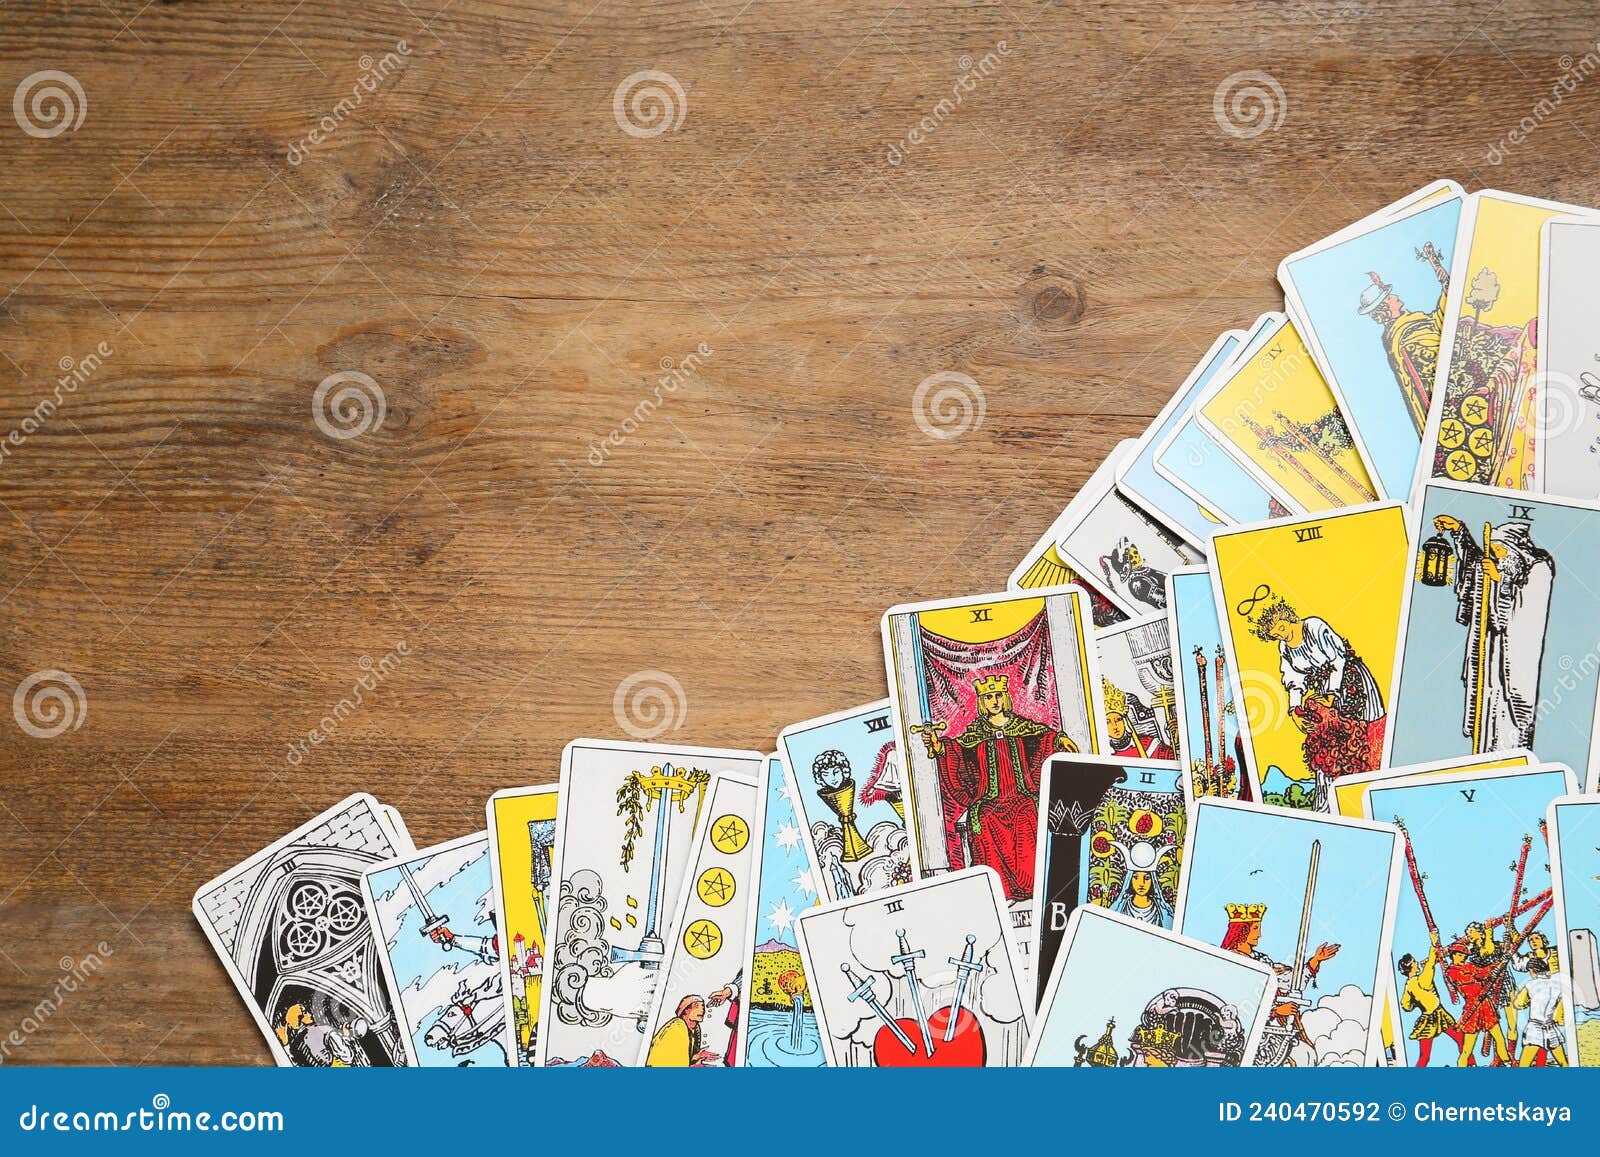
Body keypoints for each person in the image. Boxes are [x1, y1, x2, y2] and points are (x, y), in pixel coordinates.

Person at [918, 673, 1075, 901]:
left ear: (1005, 698)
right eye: (989, 697)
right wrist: (939, 747)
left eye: (998, 696)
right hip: (990, 800)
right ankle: (1002, 889)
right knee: (986, 820)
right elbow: (957, 755)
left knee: (1027, 816)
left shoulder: (1021, 726)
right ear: (982, 701)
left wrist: (1059, 740)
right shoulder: (976, 732)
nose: (994, 701)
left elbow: (1044, 739)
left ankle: (1032, 885)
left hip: (1022, 795)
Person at [1431, 515, 1554, 753]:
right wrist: (1459, 531)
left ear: (1515, 552)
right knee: (1486, 712)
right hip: (1489, 653)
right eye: (1494, 552)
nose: (1495, 557)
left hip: (1511, 661)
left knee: (1506, 718)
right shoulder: (1506, 567)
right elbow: (1476, 563)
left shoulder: (1539, 570)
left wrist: (1499, 580)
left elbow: (1525, 612)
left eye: (1499, 552)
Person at [1252, 597, 1386, 805]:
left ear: (1287, 617)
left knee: (1364, 738)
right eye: (1275, 634)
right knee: (1330, 744)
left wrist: (1331, 695)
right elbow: (1294, 680)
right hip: (1325, 692)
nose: (1281, 634)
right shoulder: (1285, 648)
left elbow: (1338, 660)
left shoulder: (1313, 626)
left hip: (1352, 682)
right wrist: (1294, 710)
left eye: (1281, 627)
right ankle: (1330, 803)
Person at [1220, 902, 1339, 1065]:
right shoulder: (1230, 962)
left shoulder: (1263, 961)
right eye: (1255, 929)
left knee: (1307, 1054)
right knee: (1301, 1057)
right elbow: (1239, 1003)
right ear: (1242, 930)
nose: (1259, 934)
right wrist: (1276, 1011)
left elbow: (1291, 983)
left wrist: (1315, 960)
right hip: (1240, 1033)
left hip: (1268, 1028)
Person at [1356, 242, 1450, 436]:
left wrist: (1446, 289)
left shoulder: (1409, 321)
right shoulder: (1403, 336)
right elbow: (1440, 343)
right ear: (1385, 308)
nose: (1394, 295)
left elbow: (1438, 321)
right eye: (1389, 297)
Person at [1444, 934, 1511, 1066]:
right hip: (1472, 1008)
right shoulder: (1451, 971)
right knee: (1467, 1049)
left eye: (1463, 955)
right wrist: (1480, 975)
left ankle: (1508, 1064)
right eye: (1458, 954)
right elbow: (1464, 980)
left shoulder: (1469, 966)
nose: (1461, 957)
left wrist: (1500, 963)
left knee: (1499, 1038)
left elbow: (1483, 972)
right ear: (1452, 955)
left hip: (1485, 1005)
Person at [1397, 939, 1464, 1066]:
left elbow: (1406, 1005)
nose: (1417, 963)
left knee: (1460, 1040)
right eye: (1415, 962)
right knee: (1461, 1040)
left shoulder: (1408, 986)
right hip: (1432, 1017)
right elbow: (1431, 964)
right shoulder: (1421, 979)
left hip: (1437, 1015)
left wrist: (1416, 1002)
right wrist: (1434, 943)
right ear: (1411, 966)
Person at [1514, 956, 1567, 1067]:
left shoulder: (1531, 984)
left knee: (1524, 1064)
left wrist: (1528, 1002)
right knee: (1563, 1062)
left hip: (1535, 1028)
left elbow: (1518, 1003)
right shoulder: (1557, 986)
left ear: (1532, 971)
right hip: (1550, 1027)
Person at [1104, 681, 1175, 761]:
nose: (1115, 726)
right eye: (1108, 722)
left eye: (1118, 720)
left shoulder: (1151, 745)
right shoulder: (1104, 754)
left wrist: (1175, 740)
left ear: (1125, 722)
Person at [645, 994, 719, 1066]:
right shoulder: (677, 1027)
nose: (702, 1009)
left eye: (702, 1006)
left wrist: (697, 1056)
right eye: (696, 1006)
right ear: (685, 1010)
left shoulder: (694, 1029)